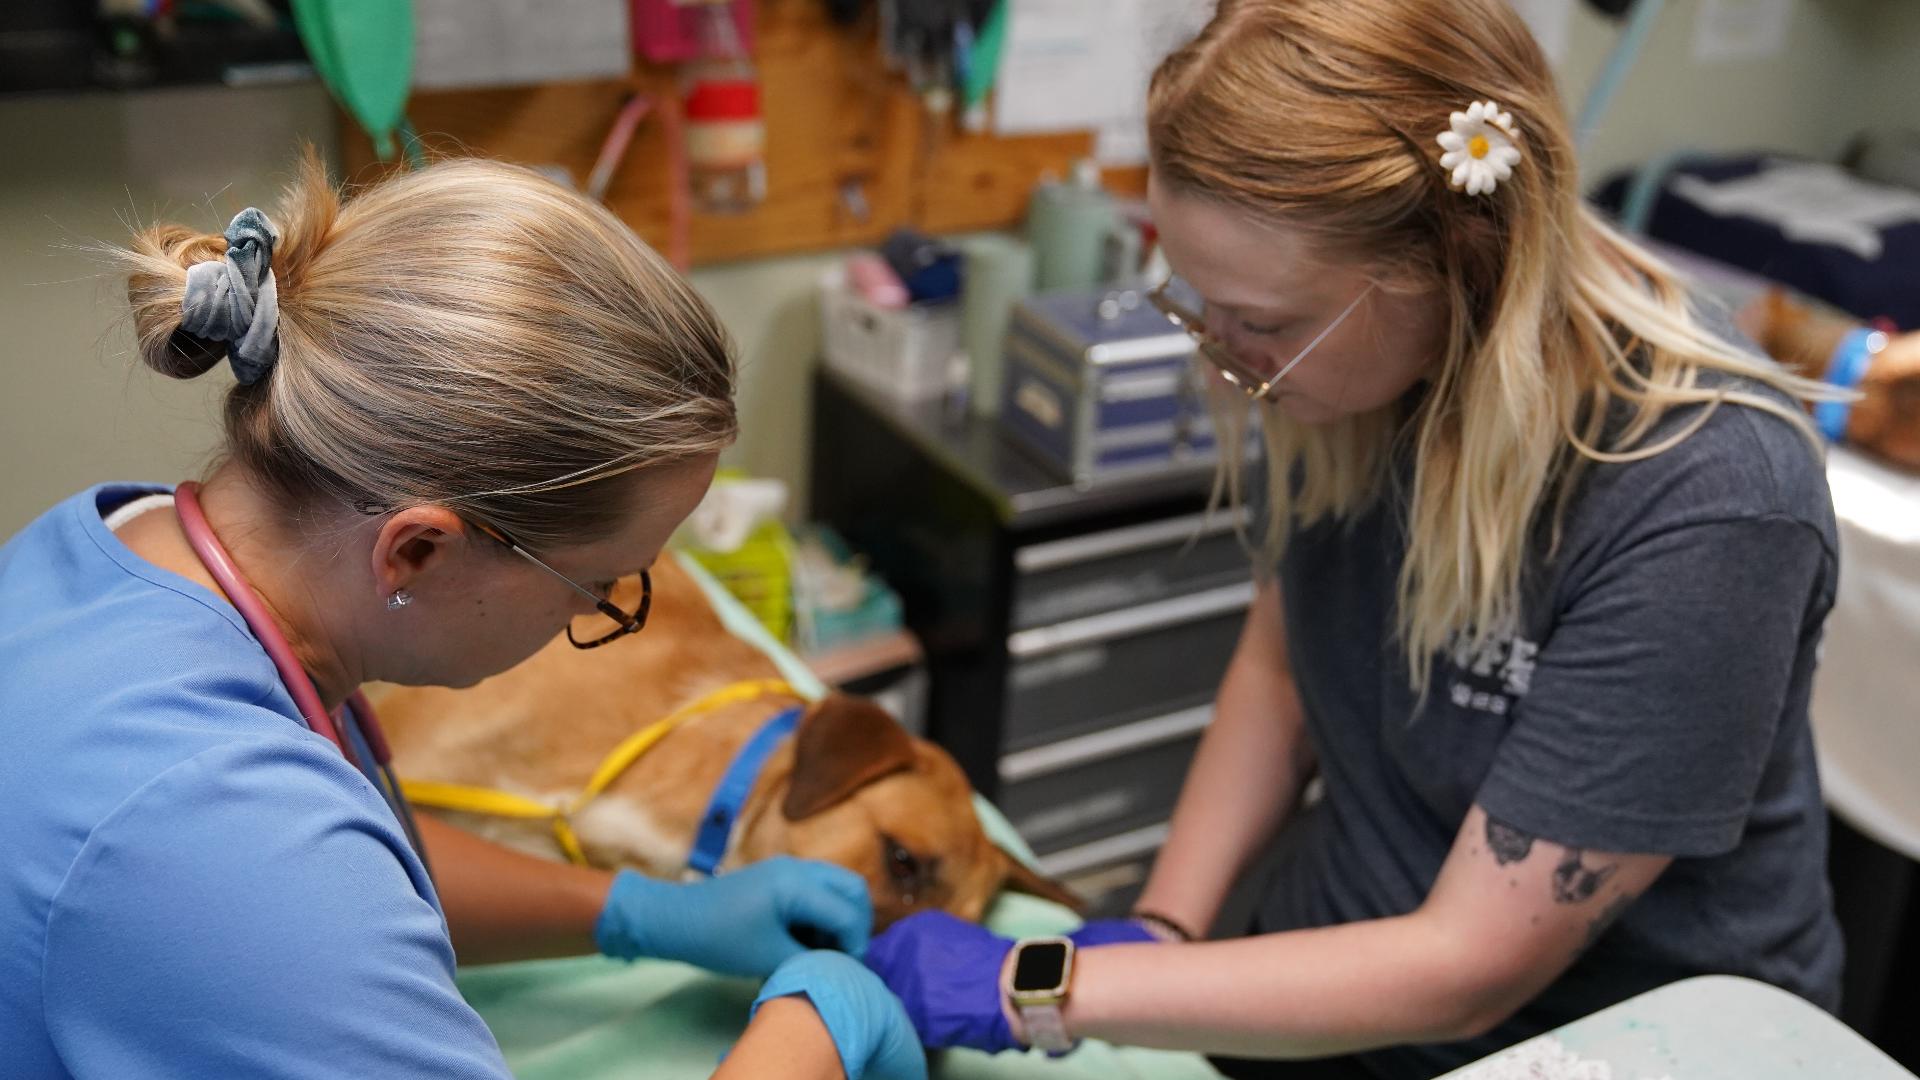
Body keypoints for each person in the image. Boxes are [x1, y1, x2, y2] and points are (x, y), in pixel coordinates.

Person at [864, 1, 1843, 1077]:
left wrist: (1039, 990)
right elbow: (1280, 667)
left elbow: (1471, 968)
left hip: (1604, 1040)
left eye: (1264, 326)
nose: (1224, 363)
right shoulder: (1367, 373)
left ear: (1459, 260)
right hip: (1347, 962)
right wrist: (1166, 927)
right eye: (1201, 305)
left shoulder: (1709, 493)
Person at [0, 156, 920, 1080]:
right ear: (418, 552)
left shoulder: (123, 540)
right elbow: (282, 883)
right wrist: (813, 1034)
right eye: (600, 584)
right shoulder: (221, 836)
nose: (591, 616)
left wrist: (635, 910)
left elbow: (355, 850)